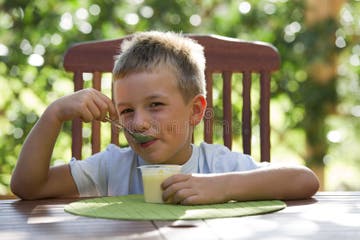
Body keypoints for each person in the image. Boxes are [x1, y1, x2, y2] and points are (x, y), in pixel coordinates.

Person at [10, 31, 319, 204]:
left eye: (155, 105)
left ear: (196, 111)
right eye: (127, 110)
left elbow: (304, 180)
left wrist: (222, 188)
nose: (139, 123)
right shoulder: (111, 167)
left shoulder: (216, 166)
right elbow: (28, 187)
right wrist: (52, 116)